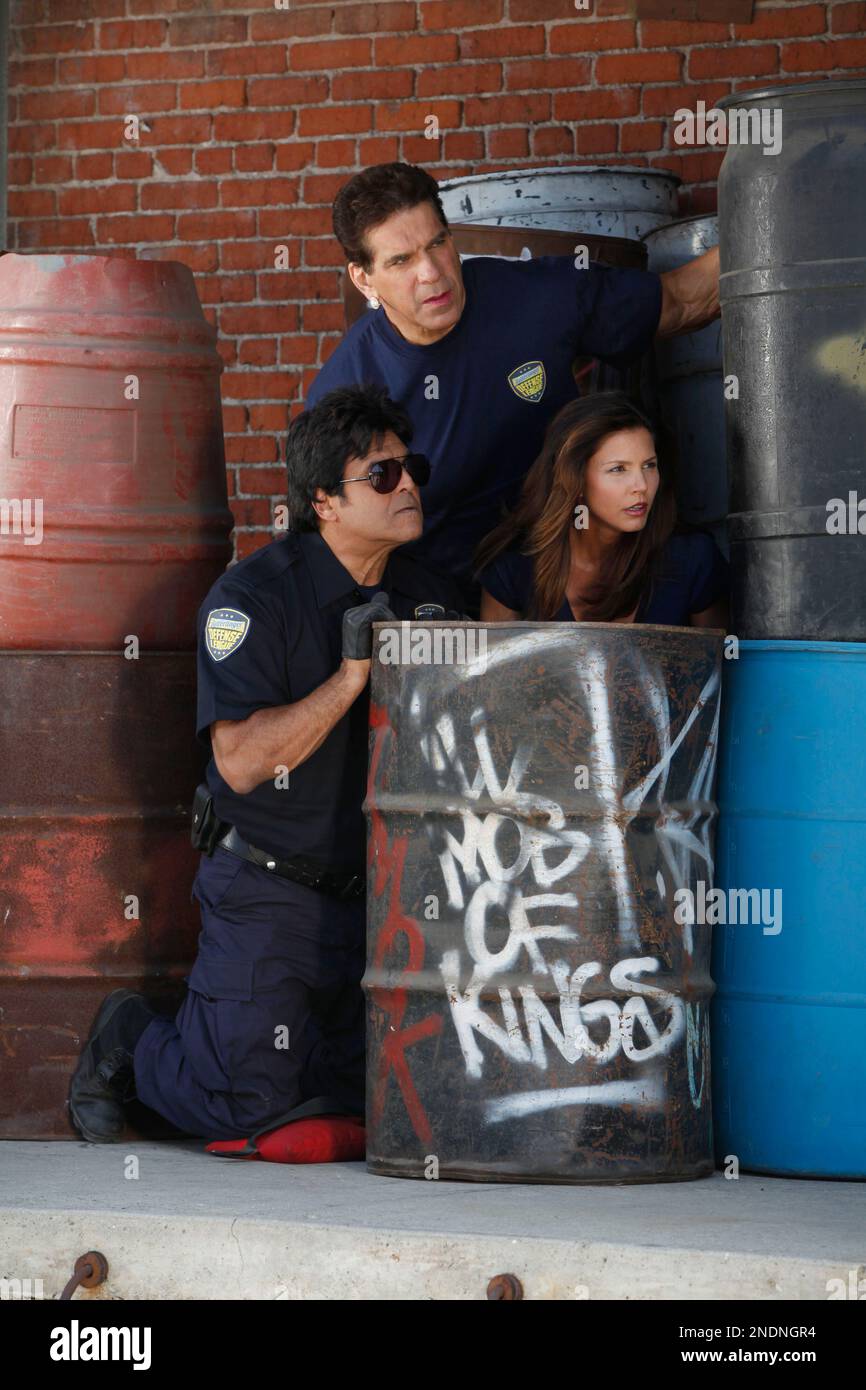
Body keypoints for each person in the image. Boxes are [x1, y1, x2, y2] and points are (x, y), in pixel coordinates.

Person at [69, 385, 462, 1149]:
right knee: (242, 1105)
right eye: (381, 476)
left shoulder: (429, 593)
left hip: (385, 899)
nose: (407, 484)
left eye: (410, 467)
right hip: (269, 889)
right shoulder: (251, 599)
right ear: (324, 501)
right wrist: (350, 680)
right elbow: (242, 764)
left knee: (389, 1096)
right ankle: (131, 1037)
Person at [306, 161, 721, 606]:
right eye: (402, 261)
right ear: (363, 278)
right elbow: (332, 545)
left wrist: (775, 213)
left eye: (438, 243)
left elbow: (680, 301)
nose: (431, 272)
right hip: (434, 612)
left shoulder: (533, 297)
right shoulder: (344, 394)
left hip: (560, 584)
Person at [476, 391, 729, 629]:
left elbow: (724, 670)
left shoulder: (691, 560)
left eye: (649, 466)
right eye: (618, 469)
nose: (641, 485)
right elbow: (496, 673)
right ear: (575, 480)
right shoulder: (515, 568)